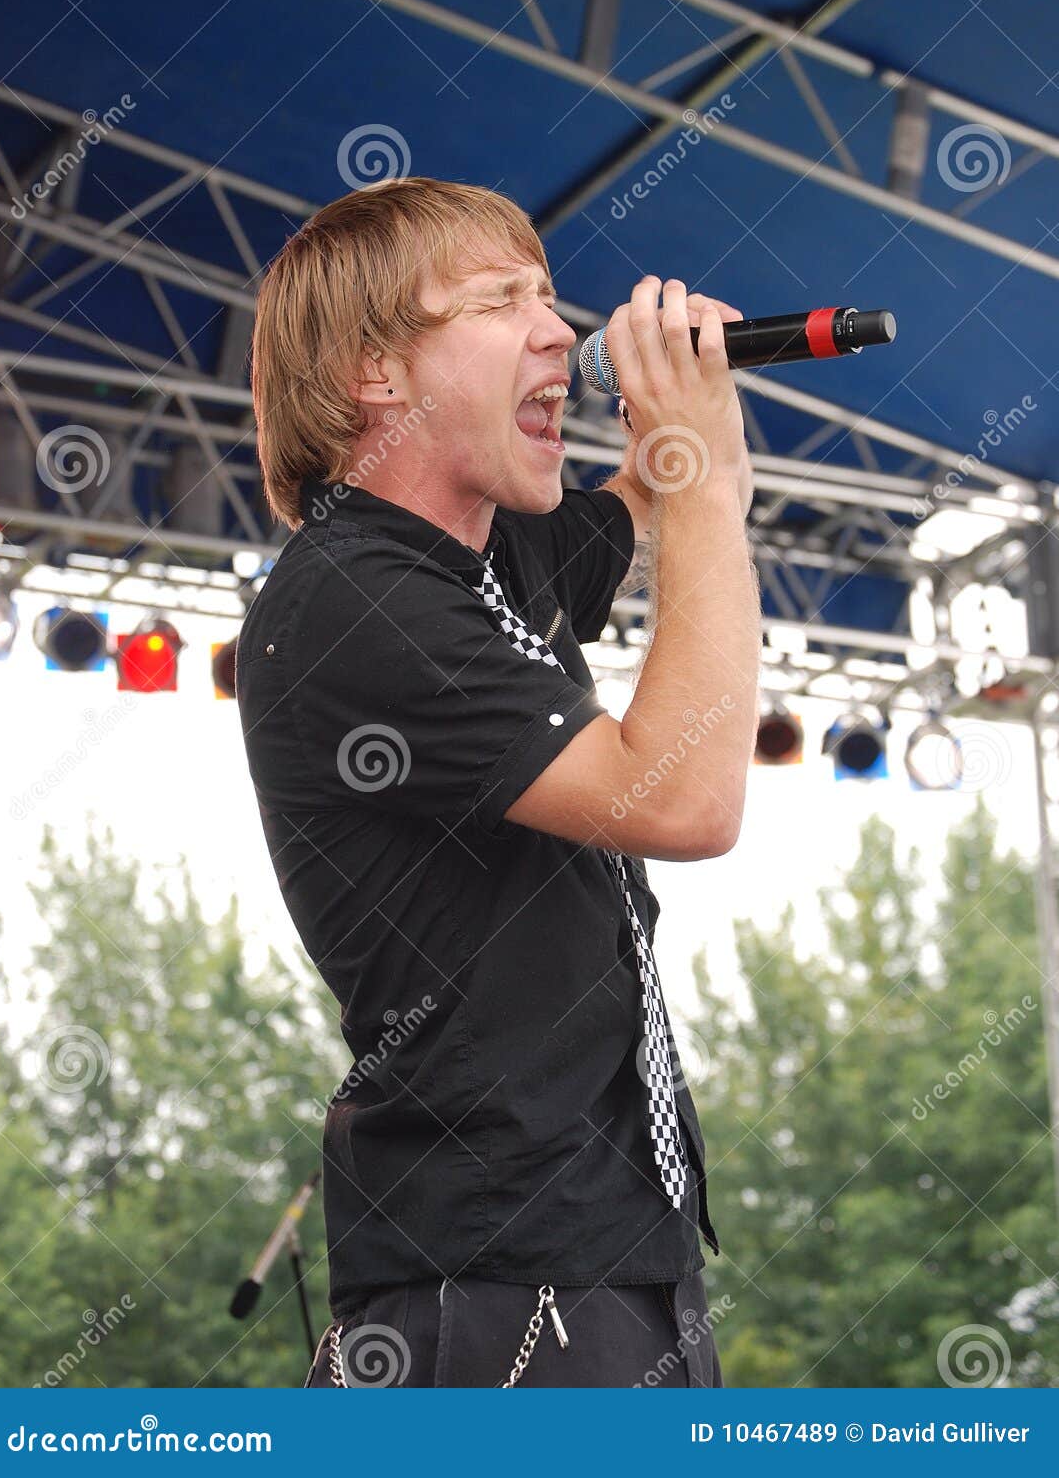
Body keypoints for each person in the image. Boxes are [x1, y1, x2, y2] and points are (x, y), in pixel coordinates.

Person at [237, 178, 759, 1387]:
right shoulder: (362, 604)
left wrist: (685, 438)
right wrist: (709, 489)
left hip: (595, 1260)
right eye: (498, 301)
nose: (557, 332)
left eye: (548, 294)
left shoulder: (480, 565)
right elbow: (683, 799)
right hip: (501, 1278)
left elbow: (637, 512)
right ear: (376, 373)